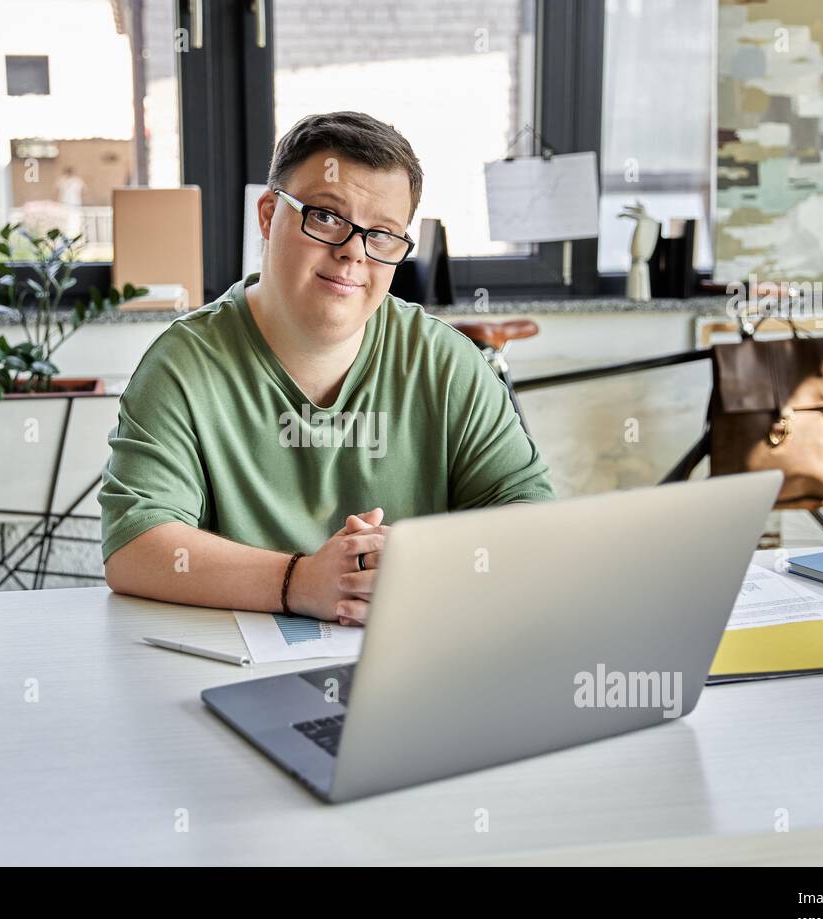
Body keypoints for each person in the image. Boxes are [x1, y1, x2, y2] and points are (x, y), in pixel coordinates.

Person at [100, 111, 554, 624]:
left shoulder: (447, 363)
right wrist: (300, 581)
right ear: (269, 215)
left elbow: (530, 518)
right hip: (229, 665)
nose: (352, 253)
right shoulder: (184, 365)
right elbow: (134, 545)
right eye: (327, 217)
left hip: (411, 659)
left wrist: (414, 562)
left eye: (382, 234)